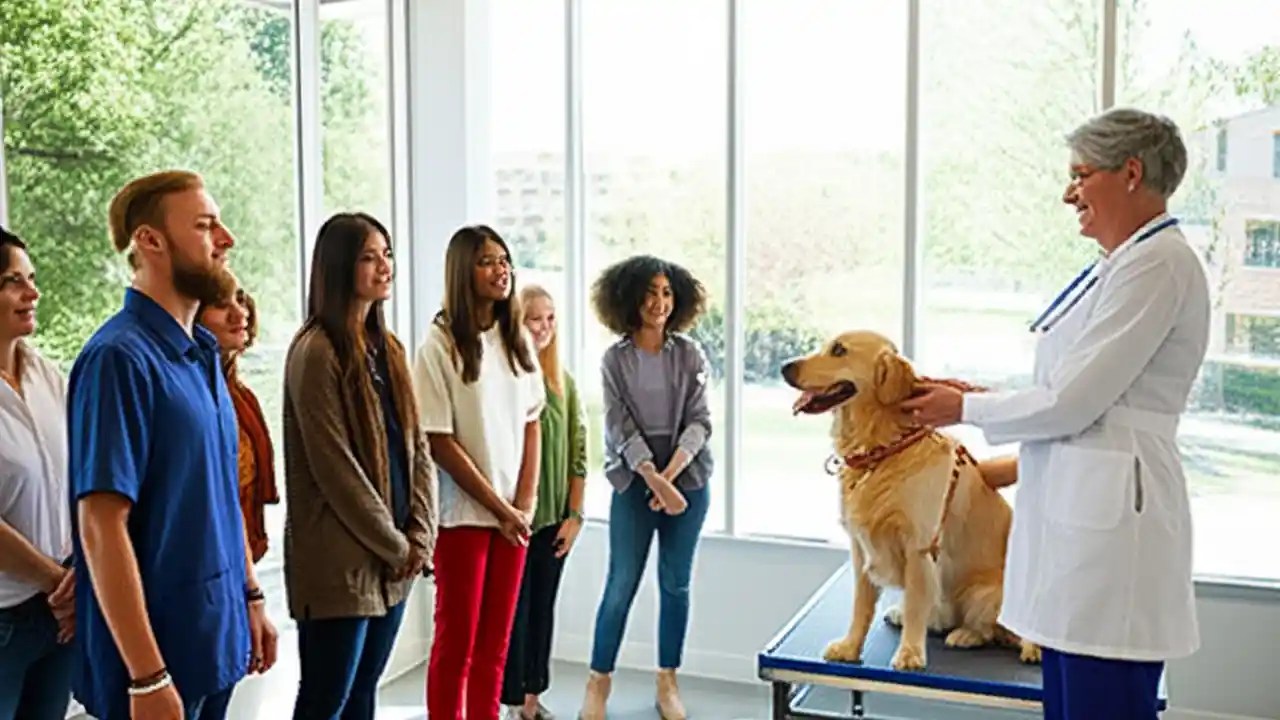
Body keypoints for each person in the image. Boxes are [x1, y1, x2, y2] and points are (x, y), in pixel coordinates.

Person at [900, 108, 1207, 720]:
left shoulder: (1158, 266)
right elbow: (1070, 384)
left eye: (1080, 175)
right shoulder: (1120, 266)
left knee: (1102, 702)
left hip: (1114, 532)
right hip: (1073, 528)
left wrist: (962, 407)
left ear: (1130, 172)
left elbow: (1075, 401)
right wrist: (974, 393)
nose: (1069, 194)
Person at [67, 170, 277, 720]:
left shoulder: (204, 354)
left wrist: (250, 595)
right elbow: (101, 524)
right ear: (151, 241)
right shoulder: (118, 359)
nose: (225, 238)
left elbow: (221, 491)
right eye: (206, 226)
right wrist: (146, 675)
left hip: (217, 637)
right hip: (157, 659)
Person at [282, 212, 437, 720]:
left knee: (365, 693)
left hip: (393, 560)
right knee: (327, 699)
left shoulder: (387, 348)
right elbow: (335, 469)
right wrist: (397, 546)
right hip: (339, 562)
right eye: (369, 256)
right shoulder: (315, 351)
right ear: (340, 266)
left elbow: (417, 448)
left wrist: (420, 535)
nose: (383, 266)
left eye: (387, 254)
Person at [414, 225, 545, 720]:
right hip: (463, 516)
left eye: (504, 259)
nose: (501, 269)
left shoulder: (517, 341)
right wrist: (501, 508)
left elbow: (533, 422)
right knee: (456, 645)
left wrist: (524, 505)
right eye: (487, 261)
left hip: (514, 517)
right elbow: (439, 440)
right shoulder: (439, 346)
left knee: (496, 647)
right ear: (462, 270)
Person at [581, 255, 713, 720]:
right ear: (629, 298)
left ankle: (667, 682)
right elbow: (619, 427)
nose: (659, 302)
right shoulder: (614, 360)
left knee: (675, 585)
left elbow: (700, 423)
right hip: (634, 483)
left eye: (666, 293)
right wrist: (653, 479)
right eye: (650, 292)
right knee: (620, 586)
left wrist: (672, 477)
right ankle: (598, 684)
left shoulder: (690, 354)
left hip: (688, 481)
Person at [500, 284, 588, 720]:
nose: (544, 327)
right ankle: (504, 701)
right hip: (512, 523)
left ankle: (531, 703)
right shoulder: (503, 381)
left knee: (541, 613)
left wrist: (575, 516)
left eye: (551, 318)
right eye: (535, 318)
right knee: (509, 617)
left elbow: (579, 453)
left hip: (553, 524)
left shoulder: (563, 384)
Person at [0, 226, 75, 720]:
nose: (33, 293)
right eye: (14, 281)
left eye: (33, 278)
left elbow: (80, 483)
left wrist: (75, 582)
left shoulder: (48, 376)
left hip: (60, 613)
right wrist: (59, 583)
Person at [197, 271, 279, 566]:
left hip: (242, 558)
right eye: (221, 304)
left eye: (241, 299)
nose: (239, 313)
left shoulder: (242, 397)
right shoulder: (192, 397)